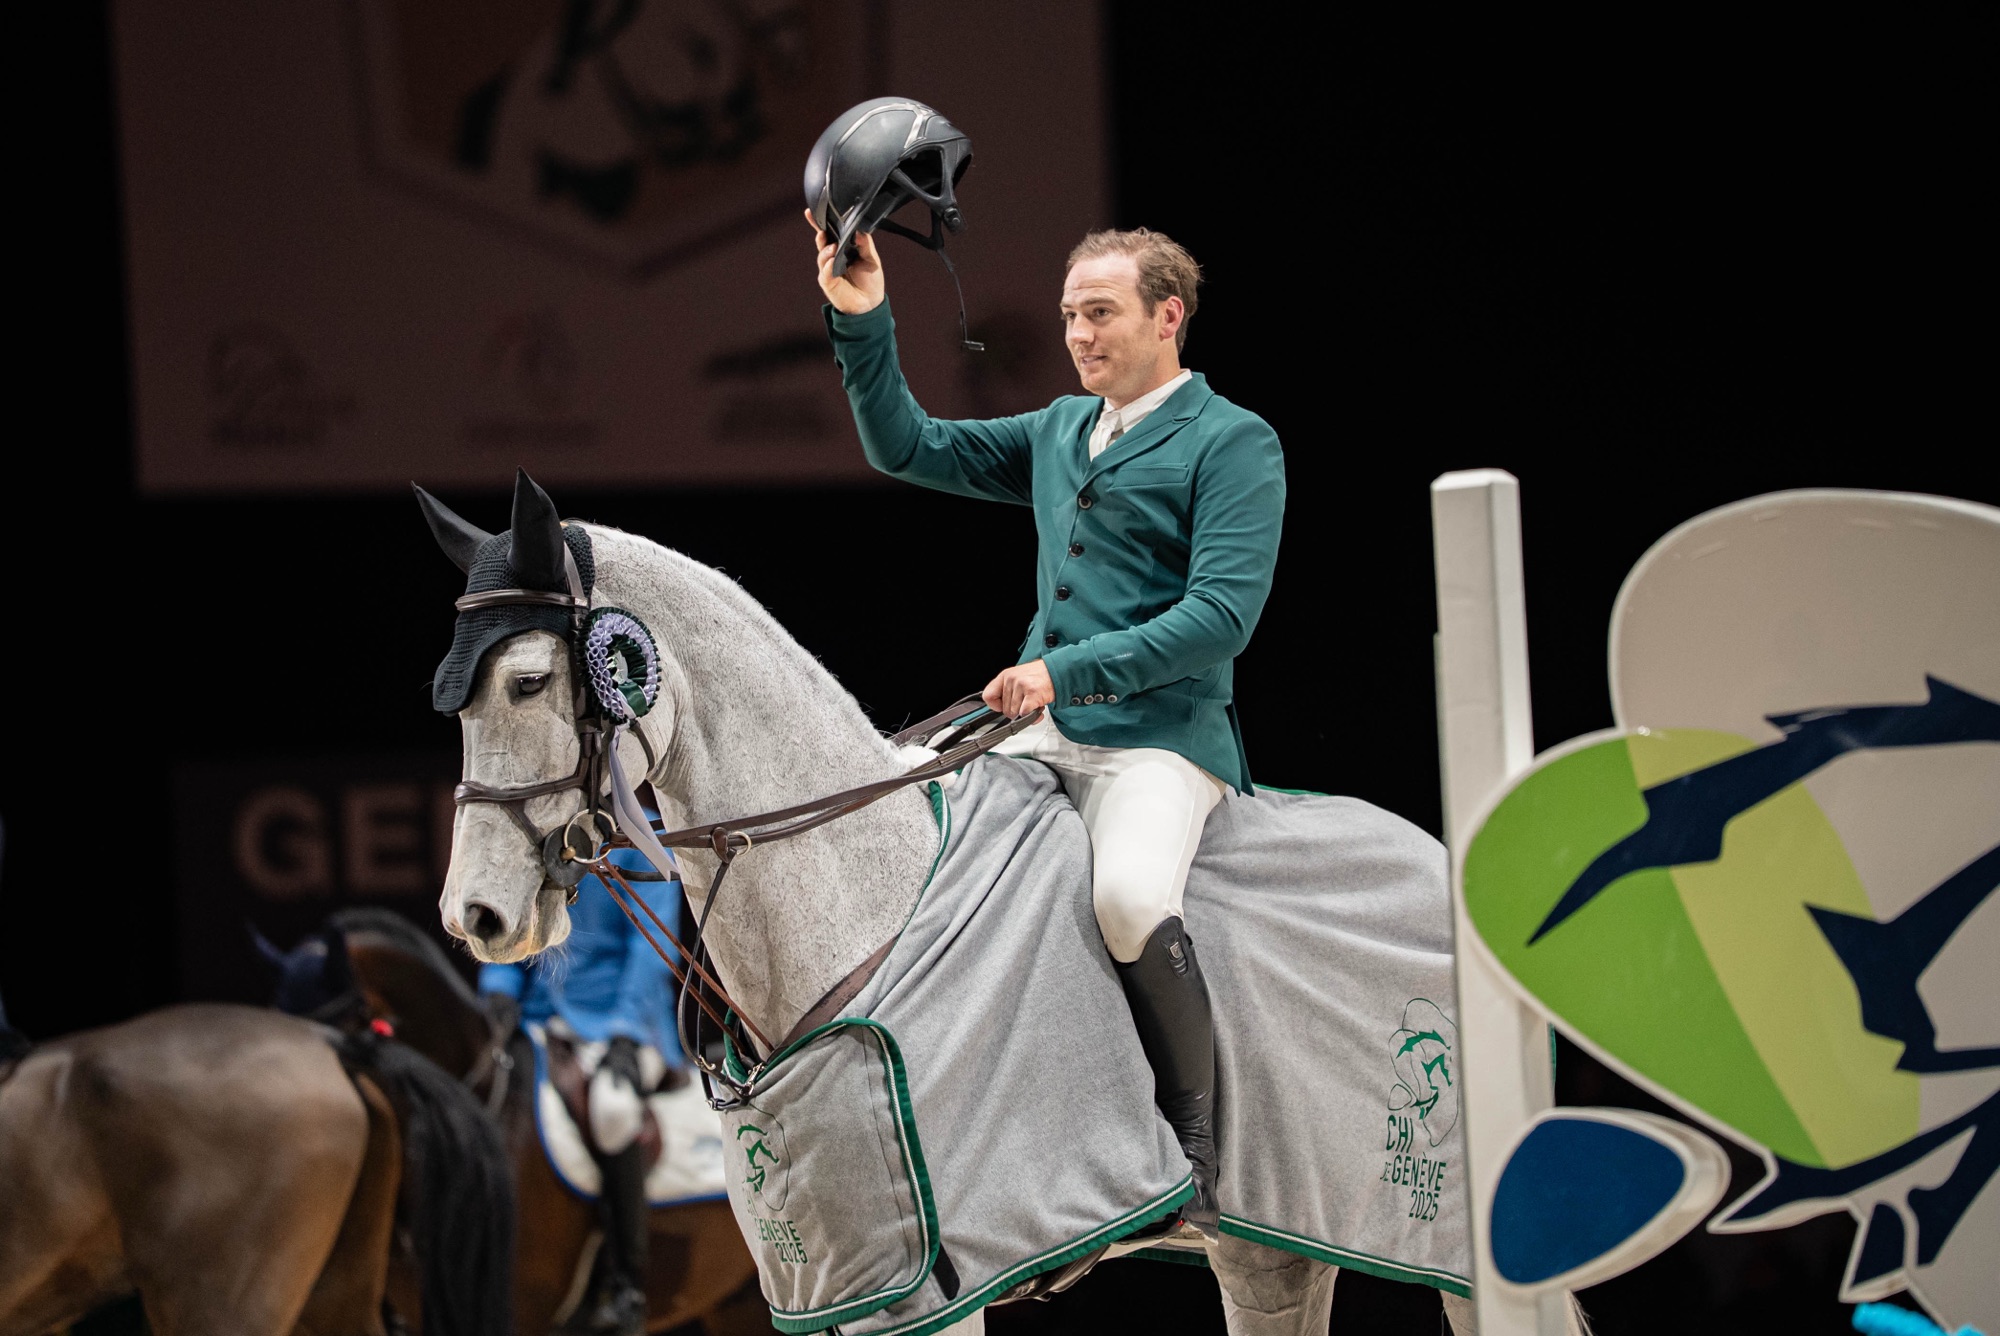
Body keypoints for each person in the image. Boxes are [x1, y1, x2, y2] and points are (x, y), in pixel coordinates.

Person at [809, 217, 1285, 1237]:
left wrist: (1060, 671)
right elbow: (907, 447)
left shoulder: (1232, 440)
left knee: (1122, 897)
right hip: (1037, 733)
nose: (1077, 334)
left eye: (1099, 313)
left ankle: (1194, 1153)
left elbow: (1221, 617)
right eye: (1070, 314)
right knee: (908, 838)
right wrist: (861, 318)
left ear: (1167, 316)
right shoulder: (1060, 430)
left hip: (1160, 740)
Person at [479, 844, 683, 1335]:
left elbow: (649, 948)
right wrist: (499, 993)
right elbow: (511, 936)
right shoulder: (539, 848)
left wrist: (626, 1033)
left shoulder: (645, 847)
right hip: (541, 1023)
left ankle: (626, 1285)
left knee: (612, 1112)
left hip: (621, 1024)